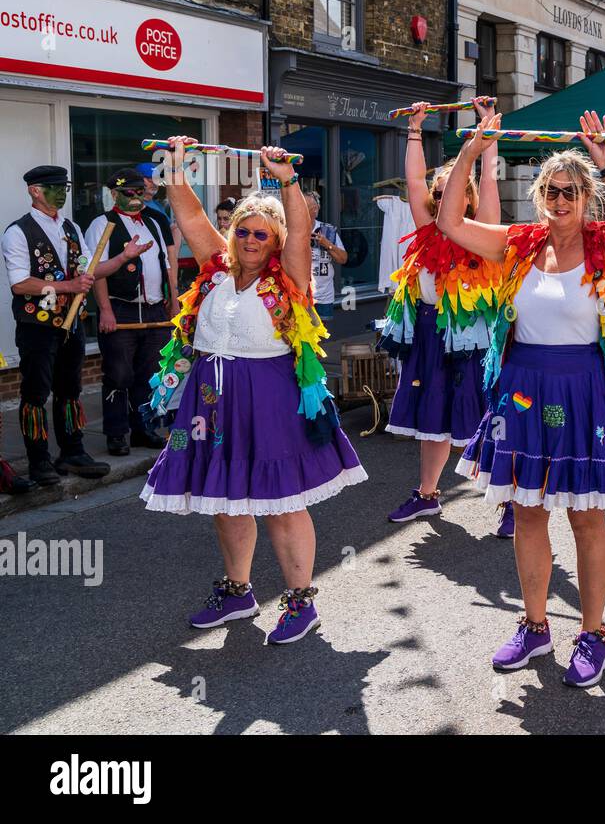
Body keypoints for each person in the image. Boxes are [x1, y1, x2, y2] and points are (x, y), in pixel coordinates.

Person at [442, 110, 605, 688]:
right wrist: (472, 149)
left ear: (587, 199)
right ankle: (535, 627)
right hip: (524, 389)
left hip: (584, 389)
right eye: (552, 191)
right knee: (528, 510)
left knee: (585, 516)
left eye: (571, 191)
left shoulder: (604, 246)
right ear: (538, 196)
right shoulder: (517, 246)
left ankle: (593, 634)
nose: (560, 199)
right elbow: (450, 222)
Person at [140, 137, 367, 644]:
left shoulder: (288, 276)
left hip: (270, 396)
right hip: (211, 397)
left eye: (261, 234)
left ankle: (300, 602)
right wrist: (176, 165)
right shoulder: (214, 270)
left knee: (283, 501)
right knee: (225, 497)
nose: (248, 240)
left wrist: (286, 179)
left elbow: (302, 229)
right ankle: (239, 591)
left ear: (276, 241)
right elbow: (191, 212)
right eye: (242, 231)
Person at [381, 98, 504, 533]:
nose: (439, 198)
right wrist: (415, 128)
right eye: (437, 192)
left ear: (467, 197)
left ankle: (509, 500)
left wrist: (487, 132)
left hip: (474, 334)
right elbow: (414, 181)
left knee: (489, 416)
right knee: (432, 416)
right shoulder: (427, 226)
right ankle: (428, 494)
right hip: (430, 329)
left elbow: (490, 182)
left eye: (451, 191)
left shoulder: (484, 226)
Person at [2, 165, 151, 486]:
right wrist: (70, 287)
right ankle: (39, 459)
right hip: (37, 325)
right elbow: (20, 285)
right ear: (34, 191)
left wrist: (124, 257)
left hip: (71, 325)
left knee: (70, 391)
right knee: (35, 393)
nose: (61, 193)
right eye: (54, 187)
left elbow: (91, 271)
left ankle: (71, 451)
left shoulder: (70, 228)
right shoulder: (18, 232)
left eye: (64, 187)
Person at [85, 168, 178, 456]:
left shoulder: (156, 220)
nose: (136, 197)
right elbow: (95, 273)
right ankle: (116, 433)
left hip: (155, 309)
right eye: (129, 193)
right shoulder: (102, 225)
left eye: (140, 192)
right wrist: (105, 311)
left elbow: (166, 264)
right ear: (115, 195)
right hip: (120, 309)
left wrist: (173, 299)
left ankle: (142, 428)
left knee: (149, 373)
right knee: (118, 374)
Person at [304, 191, 346, 319]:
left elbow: (343, 258)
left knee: (321, 335)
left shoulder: (327, 230)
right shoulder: (291, 230)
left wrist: (327, 244)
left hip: (323, 295)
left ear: (316, 210)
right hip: (299, 295)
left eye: (307, 207)